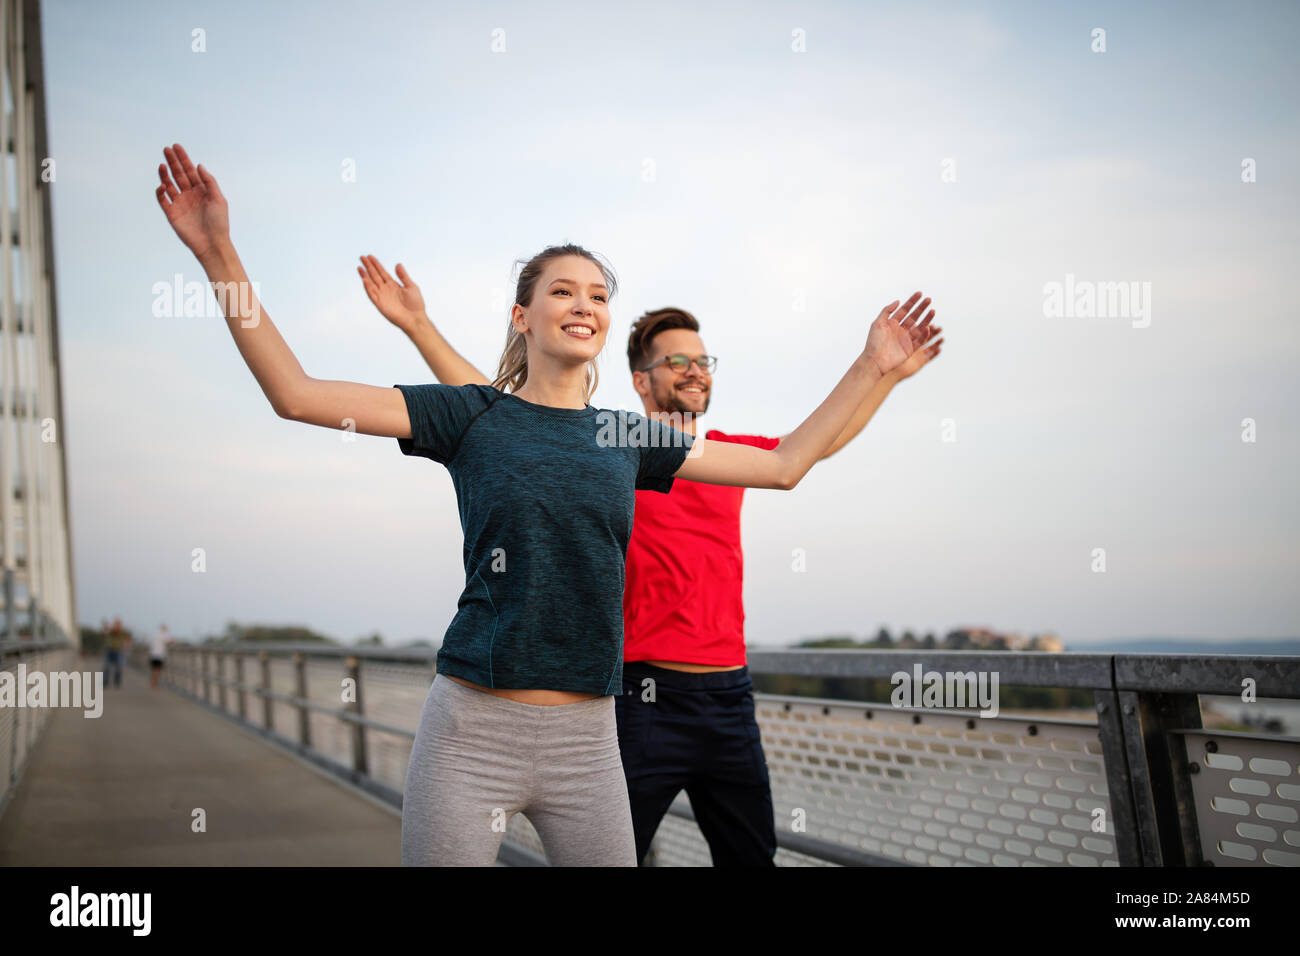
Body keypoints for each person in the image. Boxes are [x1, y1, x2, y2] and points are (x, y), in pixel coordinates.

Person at [155, 142, 930, 866]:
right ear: (523, 317)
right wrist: (217, 253)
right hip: (470, 732)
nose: (584, 303)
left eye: (597, 293)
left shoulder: (626, 435)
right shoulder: (473, 414)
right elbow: (295, 394)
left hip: (589, 741)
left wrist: (874, 367)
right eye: (562, 289)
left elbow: (788, 463)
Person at [355, 261, 942, 866]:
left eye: (703, 362)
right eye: (676, 362)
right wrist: (421, 328)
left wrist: (884, 376)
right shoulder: (606, 441)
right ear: (640, 380)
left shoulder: (723, 456)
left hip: (728, 695)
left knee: (749, 856)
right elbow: (503, 416)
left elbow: (807, 452)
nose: (694, 372)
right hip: (642, 691)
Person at [103, 618, 127, 689]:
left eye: (118, 624)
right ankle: (105, 682)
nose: (116, 625)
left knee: (118, 668)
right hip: (110, 650)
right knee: (106, 667)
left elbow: (117, 632)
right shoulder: (110, 631)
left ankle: (117, 682)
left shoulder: (121, 631)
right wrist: (106, 626)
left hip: (118, 651)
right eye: (115, 624)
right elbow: (104, 632)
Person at [149, 624, 170, 689]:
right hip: (160, 655)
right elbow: (169, 641)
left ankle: (153, 683)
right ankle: (155, 684)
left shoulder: (155, 635)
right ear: (164, 629)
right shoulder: (164, 635)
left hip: (153, 654)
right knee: (158, 670)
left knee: (153, 669)